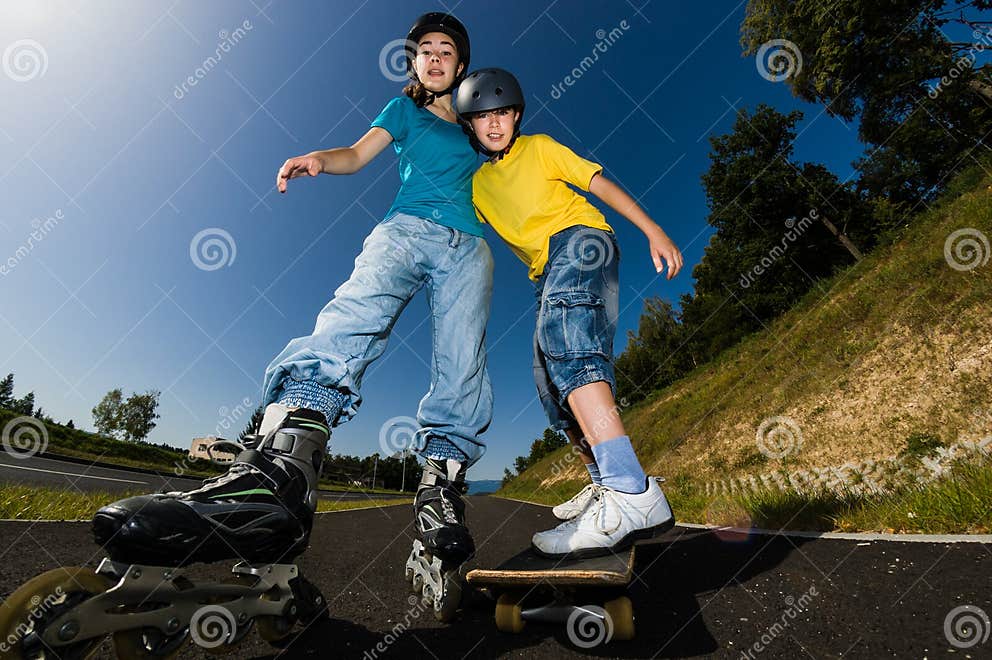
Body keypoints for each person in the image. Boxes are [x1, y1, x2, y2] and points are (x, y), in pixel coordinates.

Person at [93, 14, 490, 570]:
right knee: (353, 314)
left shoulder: (480, 128)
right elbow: (355, 155)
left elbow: (514, 180)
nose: (434, 57)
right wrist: (317, 161)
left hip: (468, 247)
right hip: (403, 231)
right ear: (414, 62)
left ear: (462, 64)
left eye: (446, 50)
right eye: (424, 49)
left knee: (462, 358)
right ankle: (282, 469)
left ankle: (442, 490)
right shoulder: (402, 111)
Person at [456, 68, 684, 559]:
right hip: (546, 275)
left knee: (569, 344)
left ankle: (629, 488)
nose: (494, 124)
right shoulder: (476, 187)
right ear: (469, 126)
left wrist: (653, 229)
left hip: (582, 241)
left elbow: (599, 184)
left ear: (516, 116)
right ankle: (606, 485)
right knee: (548, 380)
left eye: (502, 113)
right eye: (482, 117)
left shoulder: (539, 147)